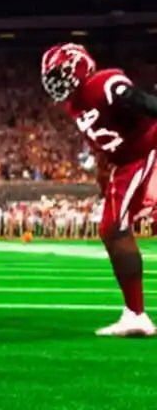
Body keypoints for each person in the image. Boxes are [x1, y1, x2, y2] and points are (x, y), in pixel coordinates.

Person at [41, 43, 157, 337]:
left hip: (145, 149)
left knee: (115, 227)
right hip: (124, 162)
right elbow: (102, 140)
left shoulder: (102, 83)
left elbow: (137, 100)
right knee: (111, 228)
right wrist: (103, 173)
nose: (56, 81)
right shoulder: (74, 103)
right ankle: (134, 313)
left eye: (61, 74)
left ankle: (136, 314)